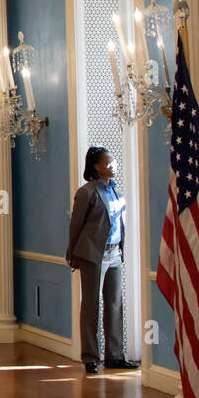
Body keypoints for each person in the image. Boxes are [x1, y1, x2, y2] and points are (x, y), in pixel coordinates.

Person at [66, 146, 138, 374]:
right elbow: (75, 226)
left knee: (114, 303)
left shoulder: (116, 191)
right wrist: (72, 254)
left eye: (113, 161)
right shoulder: (87, 192)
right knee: (90, 305)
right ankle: (90, 357)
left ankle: (115, 356)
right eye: (108, 162)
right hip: (92, 254)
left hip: (115, 252)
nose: (113, 165)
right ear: (96, 167)